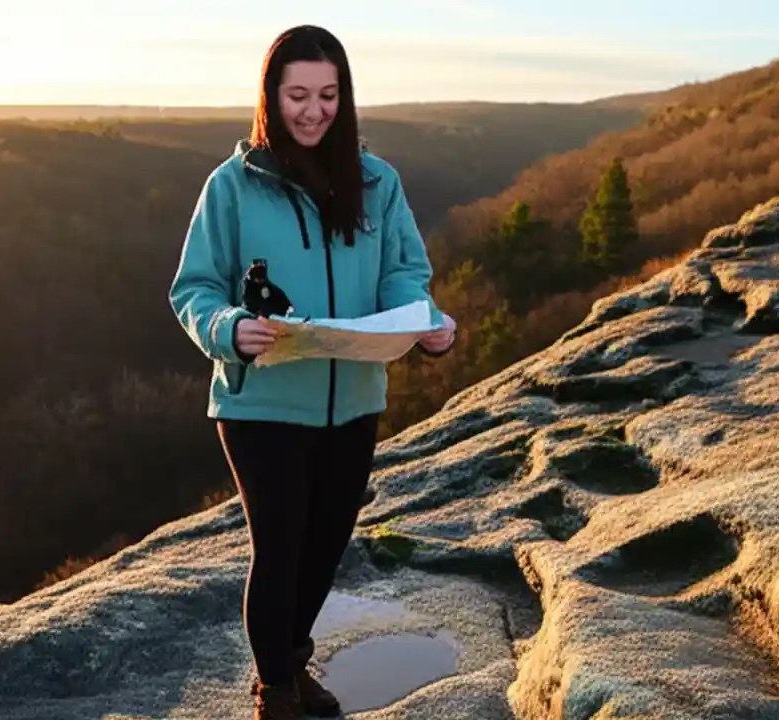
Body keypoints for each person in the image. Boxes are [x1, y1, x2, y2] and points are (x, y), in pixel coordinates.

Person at [167, 24, 456, 720]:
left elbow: (404, 273)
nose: (312, 110)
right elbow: (194, 289)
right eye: (297, 94)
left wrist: (420, 324)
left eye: (327, 95)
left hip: (353, 396)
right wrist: (228, 328)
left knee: (329, 538)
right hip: (261, 400)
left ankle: (292, 660)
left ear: (344, 97)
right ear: (272, 95)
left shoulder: (377, 181)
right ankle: (275, 689)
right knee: (283, 538)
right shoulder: (232, 187)